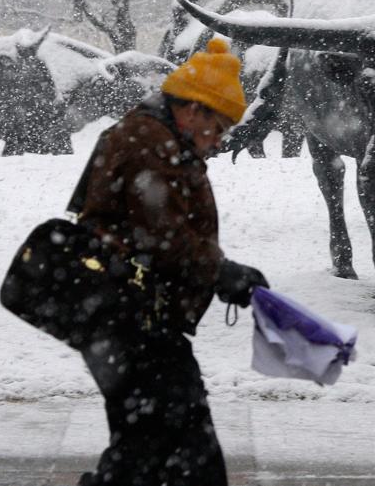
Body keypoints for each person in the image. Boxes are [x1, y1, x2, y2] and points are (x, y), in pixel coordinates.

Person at [74, 37, 269, 486]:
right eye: (217, 128)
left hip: (134, 319)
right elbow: (160, 235)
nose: (218, 142)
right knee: (181, 456)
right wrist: (220, 271)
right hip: (132, 321)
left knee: (147, 451)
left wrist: (218, 268)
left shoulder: (160, 138)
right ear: (193, 110)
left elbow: (165, 230)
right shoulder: (147, 141)